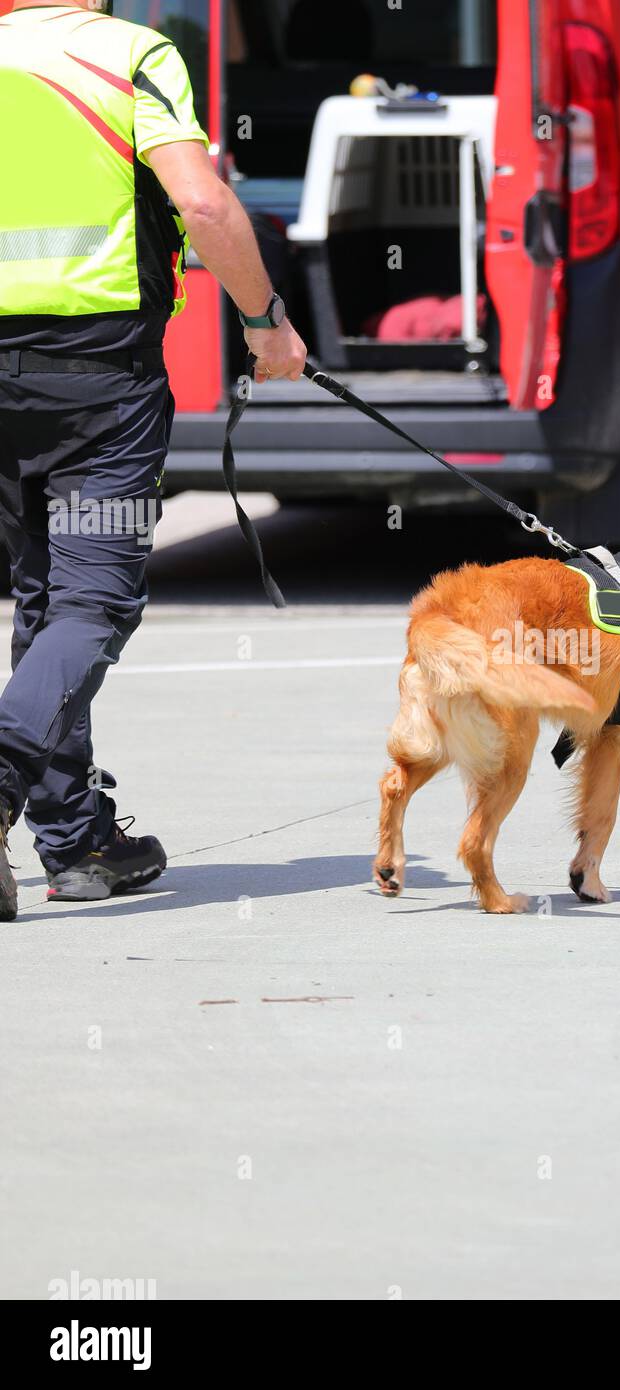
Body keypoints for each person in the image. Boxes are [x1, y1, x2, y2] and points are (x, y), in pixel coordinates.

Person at [0, 0, 307, 919]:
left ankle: (76, 841)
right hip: (100, 384)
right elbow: (202, 202)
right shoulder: (127, 53)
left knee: (46, 598)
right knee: (91, 602)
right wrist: (265, 322)